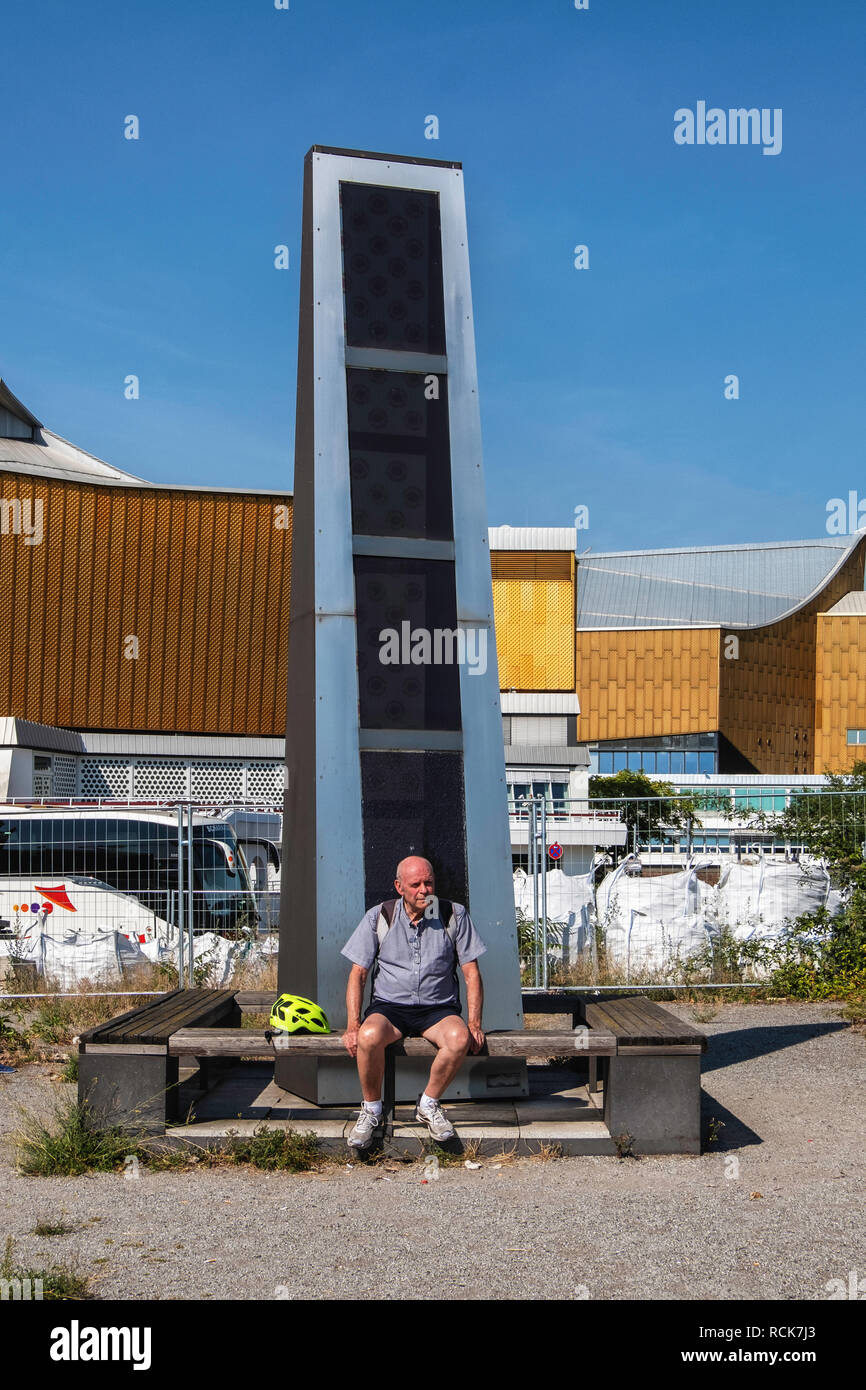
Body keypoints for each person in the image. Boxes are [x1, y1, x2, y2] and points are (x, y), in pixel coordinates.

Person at [341, 855, 486, 1150]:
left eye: (429, 882)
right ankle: (371, 1111)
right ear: (399, 887)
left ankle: (429, 1104)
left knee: (460, 1039)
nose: (424, 890)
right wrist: (353, 1024)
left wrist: (474, 1023)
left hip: (438, 1009)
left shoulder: (453, 915)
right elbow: (358, 974)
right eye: (415, 884)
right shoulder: (379, 917)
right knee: (368, 1037)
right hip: (390, 1008)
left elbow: (472, 973)